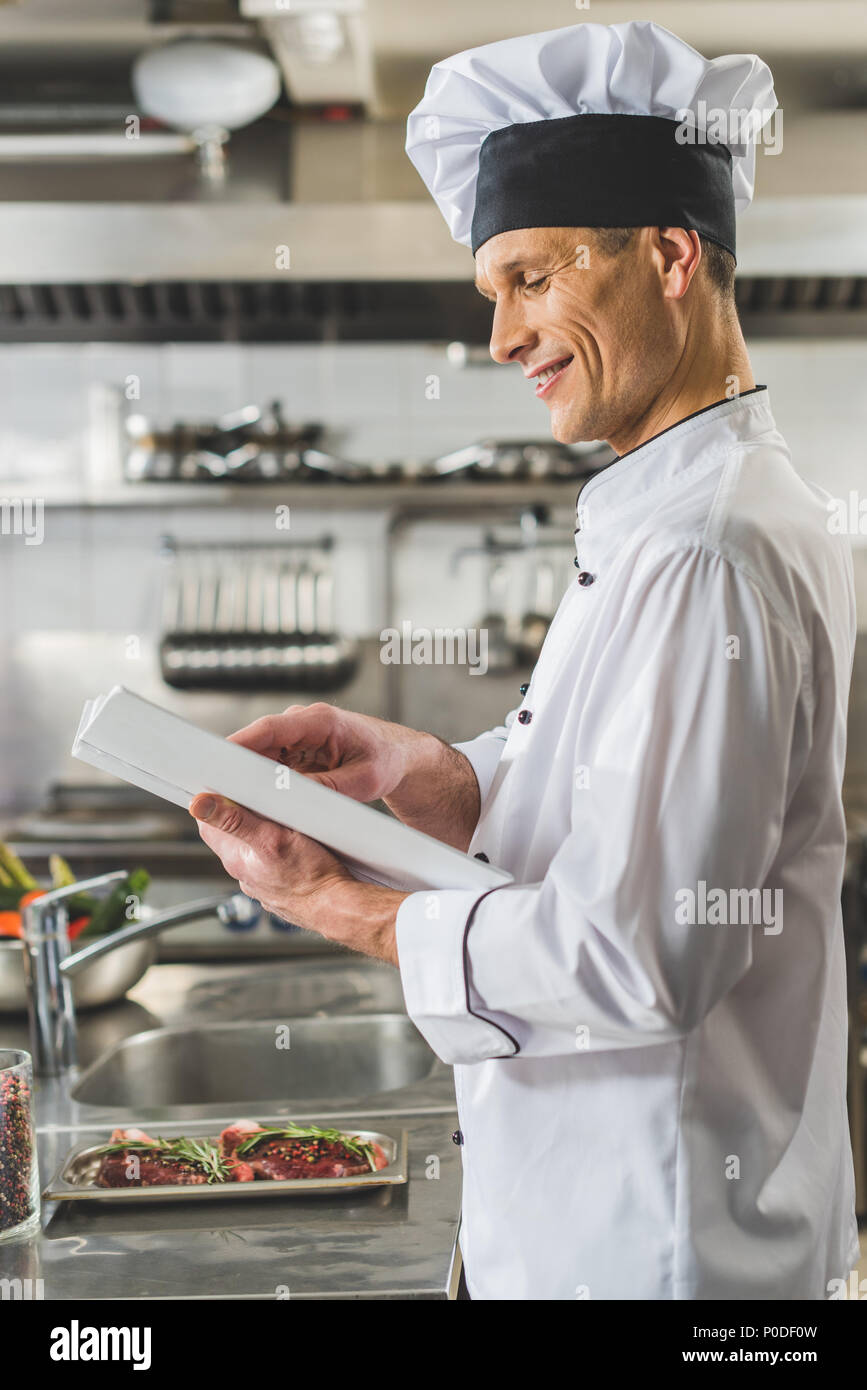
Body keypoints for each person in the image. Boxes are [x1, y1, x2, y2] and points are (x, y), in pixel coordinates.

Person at [189, 22, 859, 1300]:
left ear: (668, 256)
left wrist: (341, 908)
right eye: (491, 292)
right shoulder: (675, 514)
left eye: (530, 279)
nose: (500, 338)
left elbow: (641, 955)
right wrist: (437, 775)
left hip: (655, 1261)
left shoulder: (706, 549)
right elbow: (614, 798)